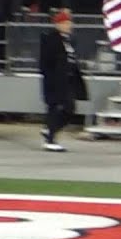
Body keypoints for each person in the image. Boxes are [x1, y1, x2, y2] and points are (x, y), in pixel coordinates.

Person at [39, 9, 88, 152]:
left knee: (69, 109)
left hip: (69, 81)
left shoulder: (70, 41)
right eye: (65, 23)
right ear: (58, 24)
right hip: (55, 82)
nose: (68, 26)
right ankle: (50, 138)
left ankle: (50, 130)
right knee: (55, 108)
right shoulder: (50, 39)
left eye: (69, 23)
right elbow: (46, 63)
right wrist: (52, 79)